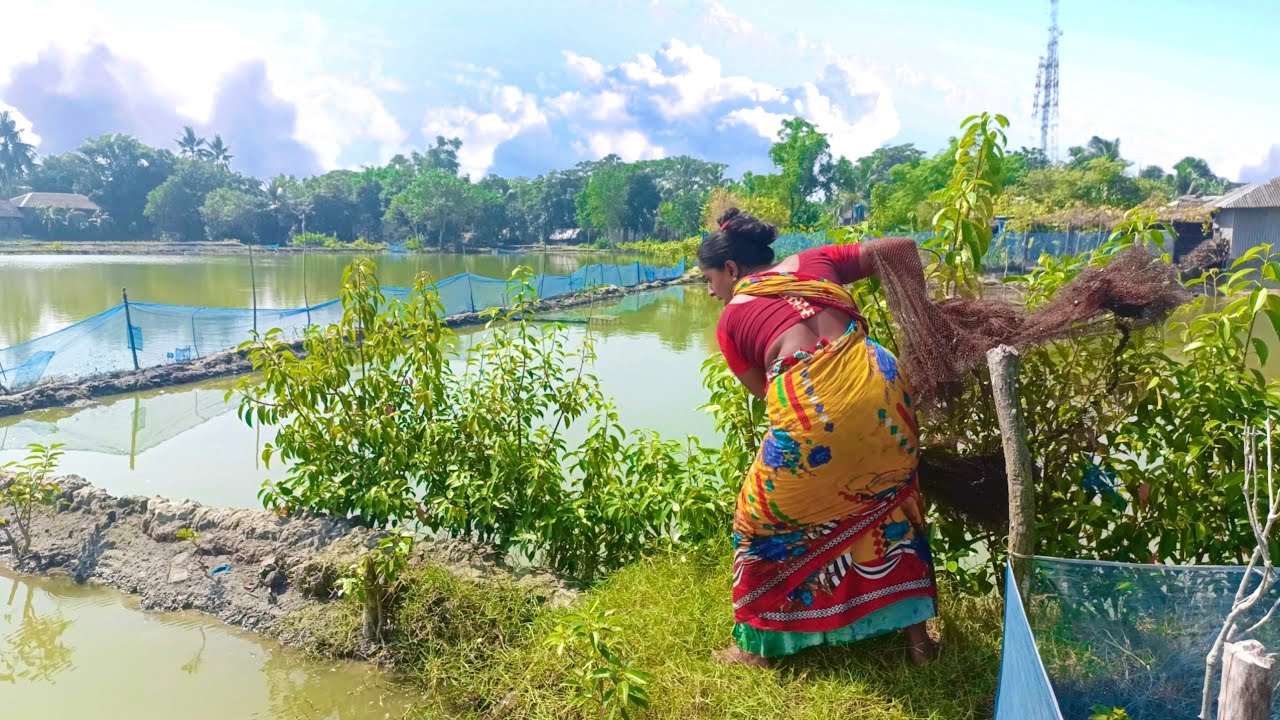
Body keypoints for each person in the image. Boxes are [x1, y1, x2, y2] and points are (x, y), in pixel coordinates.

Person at [700, 208, 939, 669]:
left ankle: (757, 651)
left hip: (817, 411)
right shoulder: (817, 260)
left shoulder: (731, 322)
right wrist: (922, 331)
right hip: (887, 389)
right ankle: (919, 644)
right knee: (893, 500)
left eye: (709, 279)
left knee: (757, 523)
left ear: (731, 270)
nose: (710, 291)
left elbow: (772, 396)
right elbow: (903, 250)